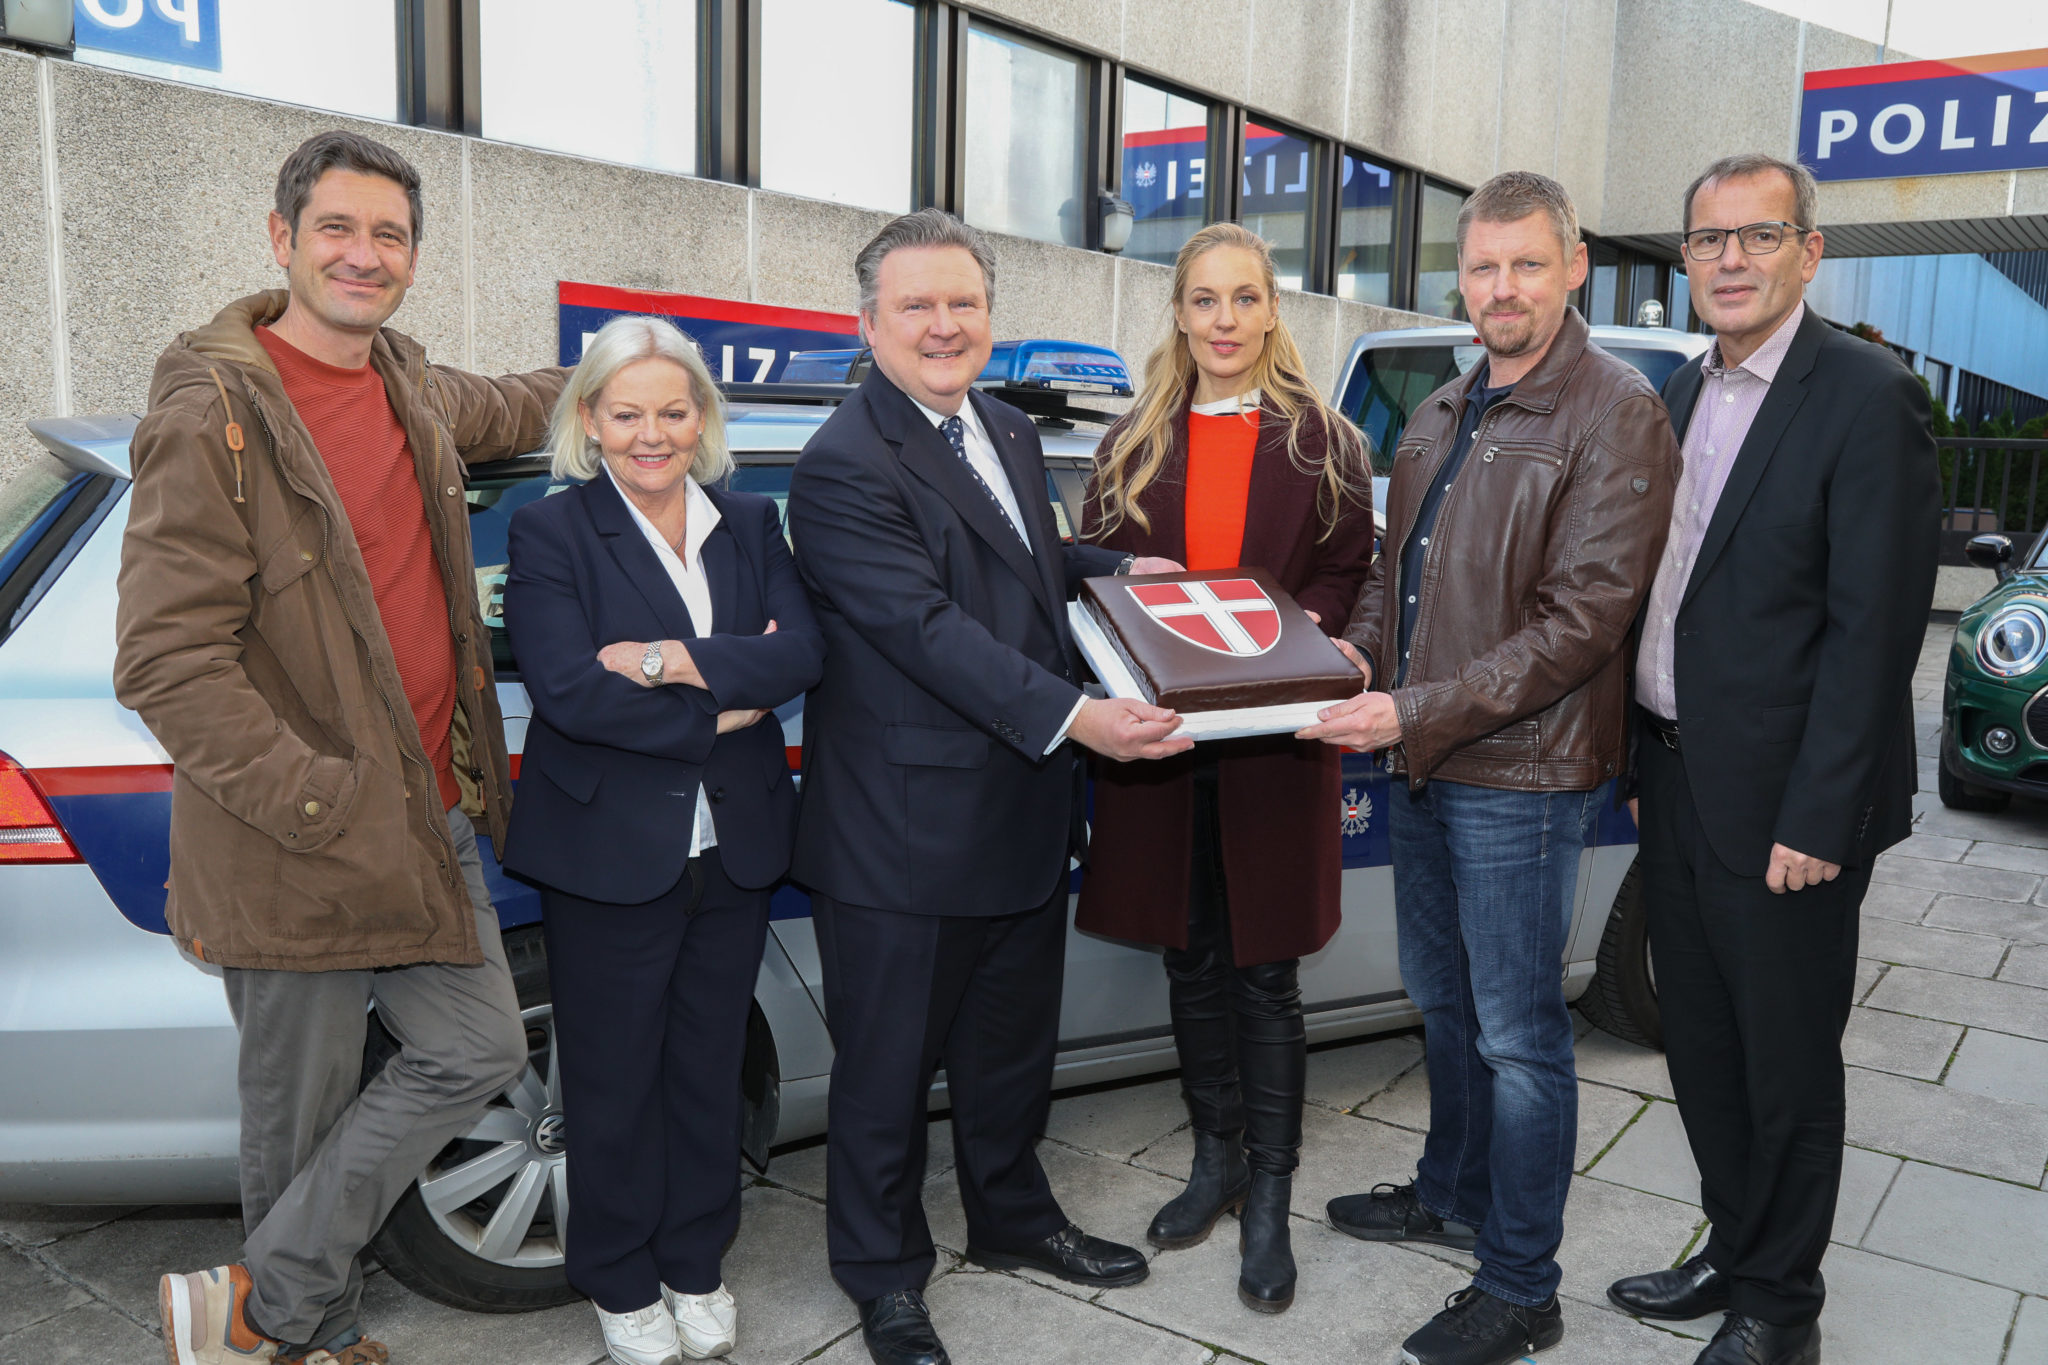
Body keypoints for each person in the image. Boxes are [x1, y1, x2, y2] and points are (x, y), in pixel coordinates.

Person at [114, 131, 566, 1365]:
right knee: (298, 1116)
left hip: (429, 818)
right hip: (296, 833)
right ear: (282, 239)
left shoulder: (410, 385)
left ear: (412, 258)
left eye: (389, 236)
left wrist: (616, 370)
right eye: (337, 230)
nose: (363, 256)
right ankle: (307, 1331)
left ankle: (258, 1306)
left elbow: (518, 405)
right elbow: (163, 661)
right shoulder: (214, 413)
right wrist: (317, 802)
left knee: (475, 1045)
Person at [785, 208, 1190, 1365]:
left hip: (1017, 810)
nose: (942, 324)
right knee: (884, 1075)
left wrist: (1118, 567)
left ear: (989, 318)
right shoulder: (842, 465)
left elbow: (1025, 564)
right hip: (900, 836)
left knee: (1011, 1053)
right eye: (915, 304)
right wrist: (1079, 717)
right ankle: (882, 1278)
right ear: (867, 325)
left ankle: (1012, 1220)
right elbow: (920, 626)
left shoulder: (1004, 431)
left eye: (962, 302)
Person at [1301, 171, 1680, 1365]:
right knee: (1446, 1000)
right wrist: (1340, 659)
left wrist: (1407, 708)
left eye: (1525, 264)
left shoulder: (1614, 410)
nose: (1500, 288)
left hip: (1519, 771)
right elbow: (1386, 576)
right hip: (1424, 754)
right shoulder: (1441, 404)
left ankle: (1520, 1284)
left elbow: (1582, 623)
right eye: (1480, 267)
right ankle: (1448, 1191)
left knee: (1520, 1034)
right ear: (1456, 278)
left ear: (1573, 267)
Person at [1604, 154, 1938, 1365]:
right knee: (1697, 1043)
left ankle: (1778, 1311)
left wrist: (1818, 812)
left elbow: (1873, 633)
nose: (1728, 260)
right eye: (1705, 240)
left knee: (1785, 1065)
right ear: (1684, 259)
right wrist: (1643, 756)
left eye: (1755, 236)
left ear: (1808, 250)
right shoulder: (1686, 393)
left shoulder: (1863, 394)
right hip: (1679, 778)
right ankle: (1733, 1248)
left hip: (1790, 806)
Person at [499, 315, 824, 1365]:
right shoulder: (551, 533)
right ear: (590, 421)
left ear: (702, 419)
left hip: (729, 848)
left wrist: (662, 660)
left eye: (671, 412)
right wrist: (724, 688)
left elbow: (803, 654)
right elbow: (565, 690)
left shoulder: (746, 520)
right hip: (607, 854)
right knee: (610, 1078)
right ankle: (620, 1277)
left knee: (703, 1067)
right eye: (627, 413)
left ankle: (694, 1262)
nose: (651, 433)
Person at [1075, 223, 1374, 1315]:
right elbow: (1090, 587)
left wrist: (1322, 637)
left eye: (1243, 299)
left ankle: (1270, 1200)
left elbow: (1348, 568)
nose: (1224, 322)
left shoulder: (1320, 442)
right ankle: (1215, 1158)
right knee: (1189, 957)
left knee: (1264, 971)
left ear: (1270, 310)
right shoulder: (1133, 442)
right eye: (1203, 300)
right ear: (1179, 314)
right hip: (1160, 752)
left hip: (1275, 743)